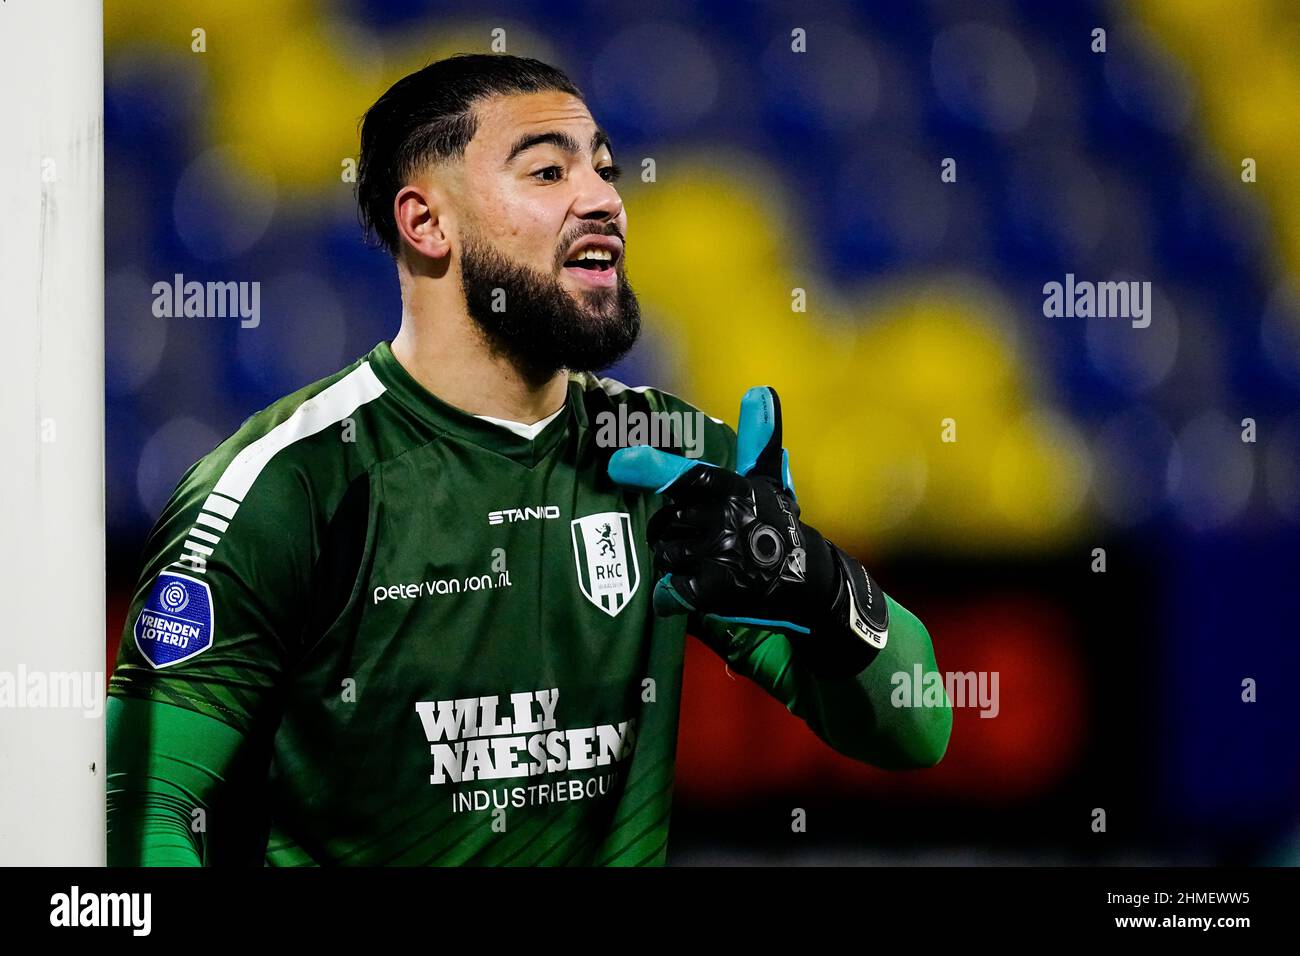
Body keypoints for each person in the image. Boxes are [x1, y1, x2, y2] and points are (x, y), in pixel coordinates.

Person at [107, 53, 951, 866]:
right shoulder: (288, 486)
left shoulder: (668, 460)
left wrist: (816, 584)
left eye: (606, 171)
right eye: (549, 173)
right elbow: (135, 807)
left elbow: (919, 732)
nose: (604, 202)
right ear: (425, 222)